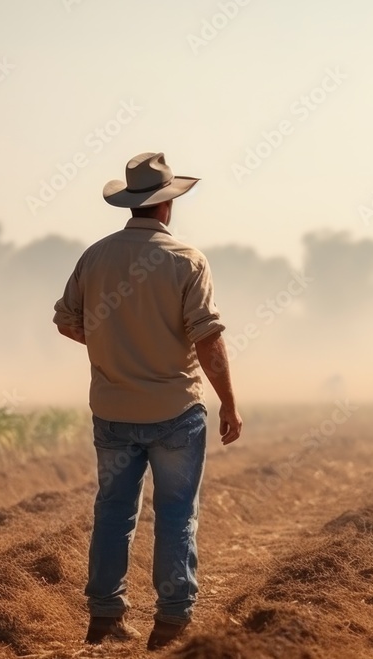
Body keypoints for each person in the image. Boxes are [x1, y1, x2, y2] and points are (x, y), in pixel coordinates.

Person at [53, 152, 242, 651]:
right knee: (177, 513)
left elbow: (67, 321)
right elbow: (207, 339)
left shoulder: (95, 256)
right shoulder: (187, 260)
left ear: (131, 205)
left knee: (113, 511)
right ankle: (172, 623)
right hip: (176, 411)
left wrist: (113, 346)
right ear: (167, 205)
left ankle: (104, 618)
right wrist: (229, 402)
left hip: (112, 409)